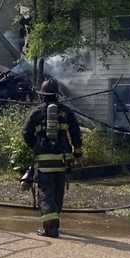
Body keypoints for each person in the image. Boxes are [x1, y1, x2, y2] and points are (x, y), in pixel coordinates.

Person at [23, 78, 83, 238]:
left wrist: (35, 146)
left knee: (46, 193)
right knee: (57, 192)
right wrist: (77, 154)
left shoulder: (36, 112)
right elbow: (76, 133)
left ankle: (50, 228)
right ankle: (54, 223)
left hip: (44, 161)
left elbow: (26, 133)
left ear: (42, 95)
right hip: (63, 160)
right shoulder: (67, 112)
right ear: (57, 95)